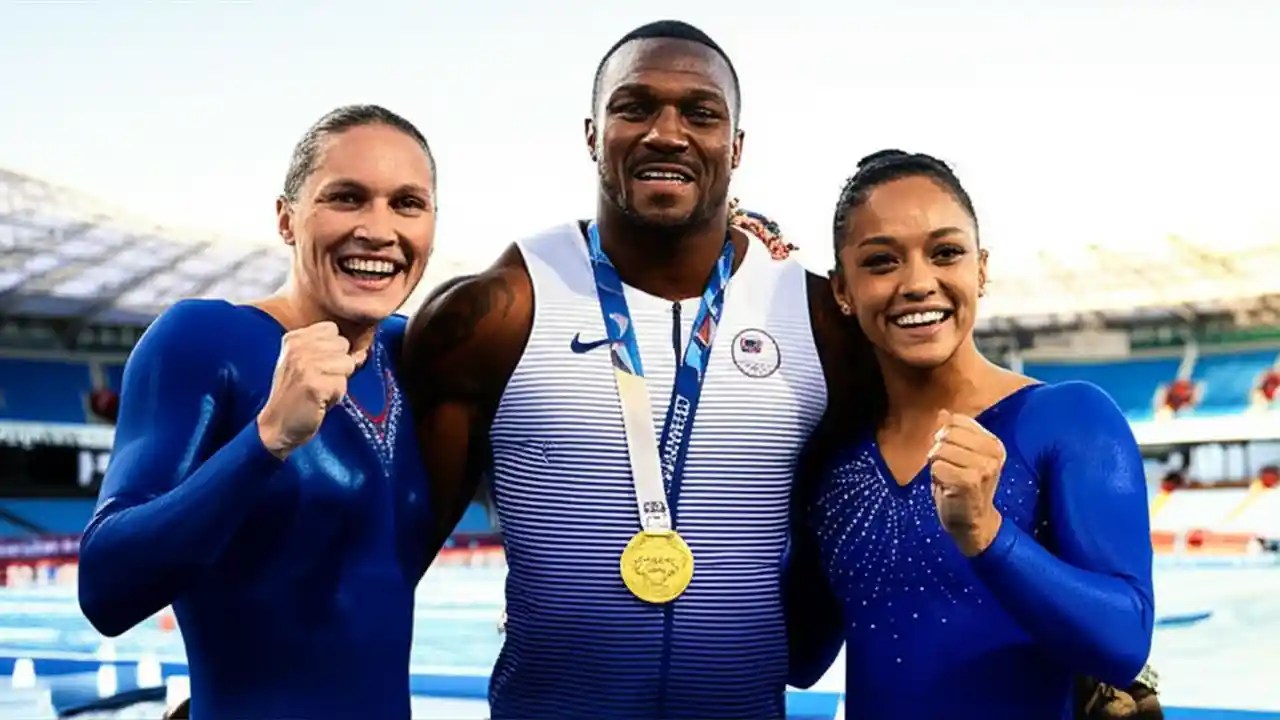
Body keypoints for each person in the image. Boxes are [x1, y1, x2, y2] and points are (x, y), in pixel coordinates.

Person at [402, 19, 869, 719]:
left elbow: (833, 587)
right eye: (636, 106)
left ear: (735, 147)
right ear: (593, 133)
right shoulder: (494, 316)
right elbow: (387, 567)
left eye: (701, 114)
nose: (667, 133)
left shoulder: (819, 323)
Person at [77, 104, 438, 720]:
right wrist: (266, 440)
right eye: (346, 198)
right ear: (286, 219)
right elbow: (106, 589)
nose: (379, 230)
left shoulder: (421, 355)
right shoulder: (202, 339)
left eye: (407, 203)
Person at [787, 149, 1157, 719]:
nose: (918, 283)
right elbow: (801, 656)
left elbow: (1123, 643)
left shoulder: (1069, 419)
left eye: (946, 253)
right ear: (842, 289)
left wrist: (989, 535)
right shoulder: (834, 458)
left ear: (980, 268)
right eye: (882, 262)